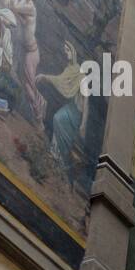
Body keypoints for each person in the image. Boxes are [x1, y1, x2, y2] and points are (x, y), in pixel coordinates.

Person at [37, 42, 89, 183]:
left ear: (73, 52)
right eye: (64, 50)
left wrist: (83, 124)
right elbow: (59, 81)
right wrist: (44, 77)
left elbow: (86, 103)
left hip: (76, 113)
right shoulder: (69, 70)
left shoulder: (82, 76)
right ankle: (55, 154)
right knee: (57, 118)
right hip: (71, 108)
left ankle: (61, 161)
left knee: (59, 119)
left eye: (67, 50)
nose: (65, 53)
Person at [9, 0, 46, 122]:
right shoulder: (25, 2)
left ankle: (39, 118)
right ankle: (34, 106)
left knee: (29, 86)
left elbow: (14, 7)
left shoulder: (30, 7)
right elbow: (21, 19)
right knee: (24, 82)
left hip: (32, 53)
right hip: (25, 49)